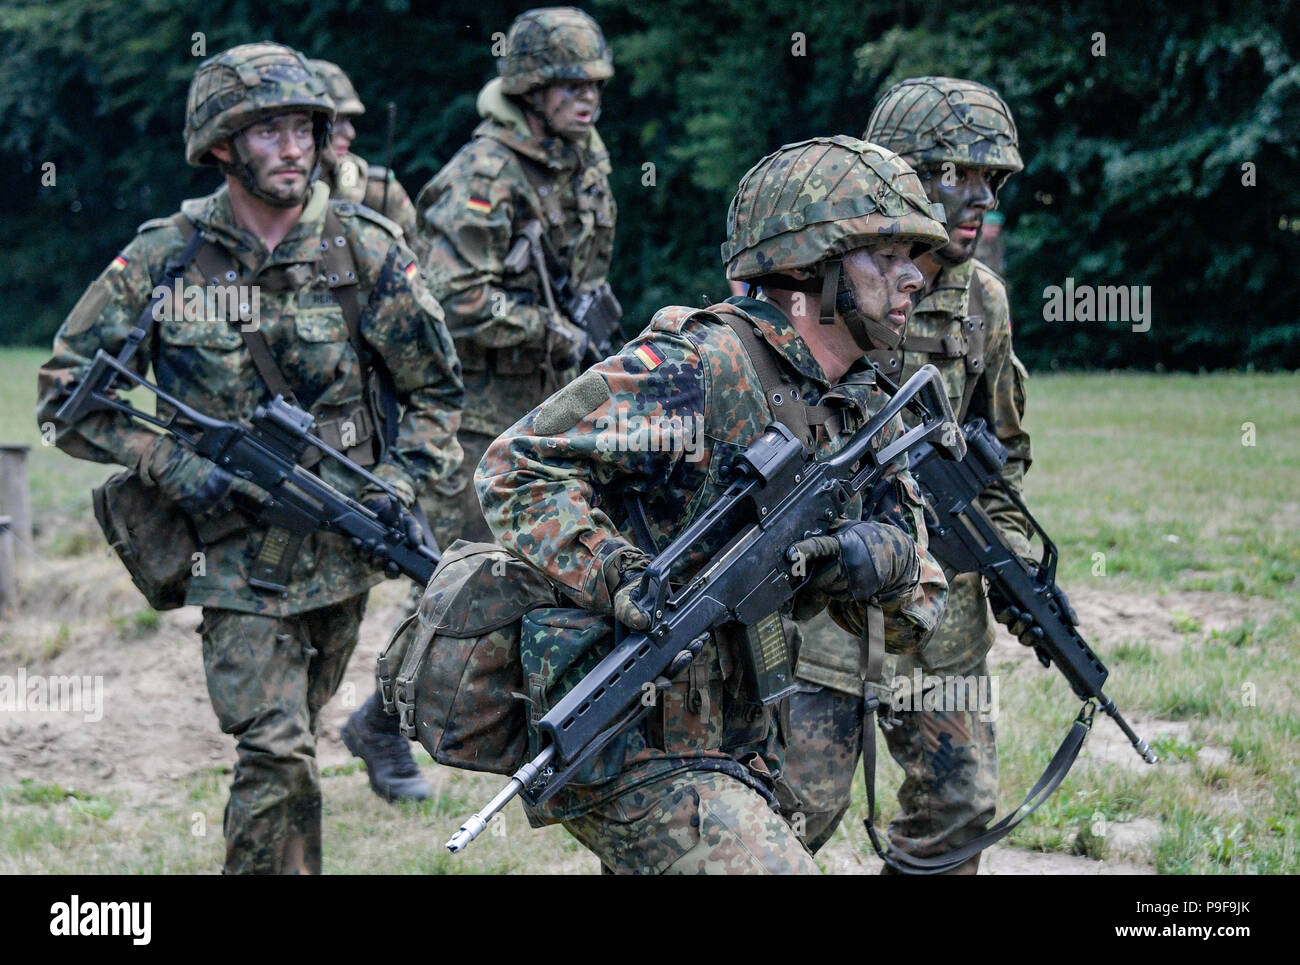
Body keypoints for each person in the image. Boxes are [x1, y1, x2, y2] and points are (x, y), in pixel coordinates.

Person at [35, 42, 463, 874]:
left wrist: (404, 488)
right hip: (225, 548)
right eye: (269, 131)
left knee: (294, 741)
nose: (295, 148)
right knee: (274, 750)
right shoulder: (166, 257)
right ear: (223, 145)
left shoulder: (363, 250)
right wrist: (171, 464)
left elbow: (438, 396)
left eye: (303, 128)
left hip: (340, 547)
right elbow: (63, 397)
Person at [474, 135, 950, 874]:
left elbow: (918, 610)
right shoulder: (699, 369)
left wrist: (867, 558)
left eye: (915, 258)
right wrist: (622, 577)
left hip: (737, 738)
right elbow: (514, 465)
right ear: (809, 266)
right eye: (885, 256)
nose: (913, 278)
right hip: (632, 734)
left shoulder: (858, 405)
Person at [342, 7, 623, 797]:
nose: (585, 97)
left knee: (569, 565)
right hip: (481, 414)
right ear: (529, 90)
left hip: (560, 408)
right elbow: (450, 297)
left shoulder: (583, 165)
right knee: (465, 581)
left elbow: (587, 272)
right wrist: (552, 332)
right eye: (567, 84)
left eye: (593, 83)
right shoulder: (484, 174)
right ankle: (382, 723)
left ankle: (551, 728)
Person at [779, 76, 1034, 874]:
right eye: (954, 173)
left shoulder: (981, 300)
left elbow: (1003, 451)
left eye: (991, 180)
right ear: (895, 173)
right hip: (825, 604)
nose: (976, 198)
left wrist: (1013, 556)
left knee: (957, 811)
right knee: (793, 811)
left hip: (941, 614)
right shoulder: (815, 278)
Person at [310, 58, 425, 258]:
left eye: (349, 121)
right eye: (337, 121)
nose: (350, 133)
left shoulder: (376, 191)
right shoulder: (267, 191)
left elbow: (422, 266)